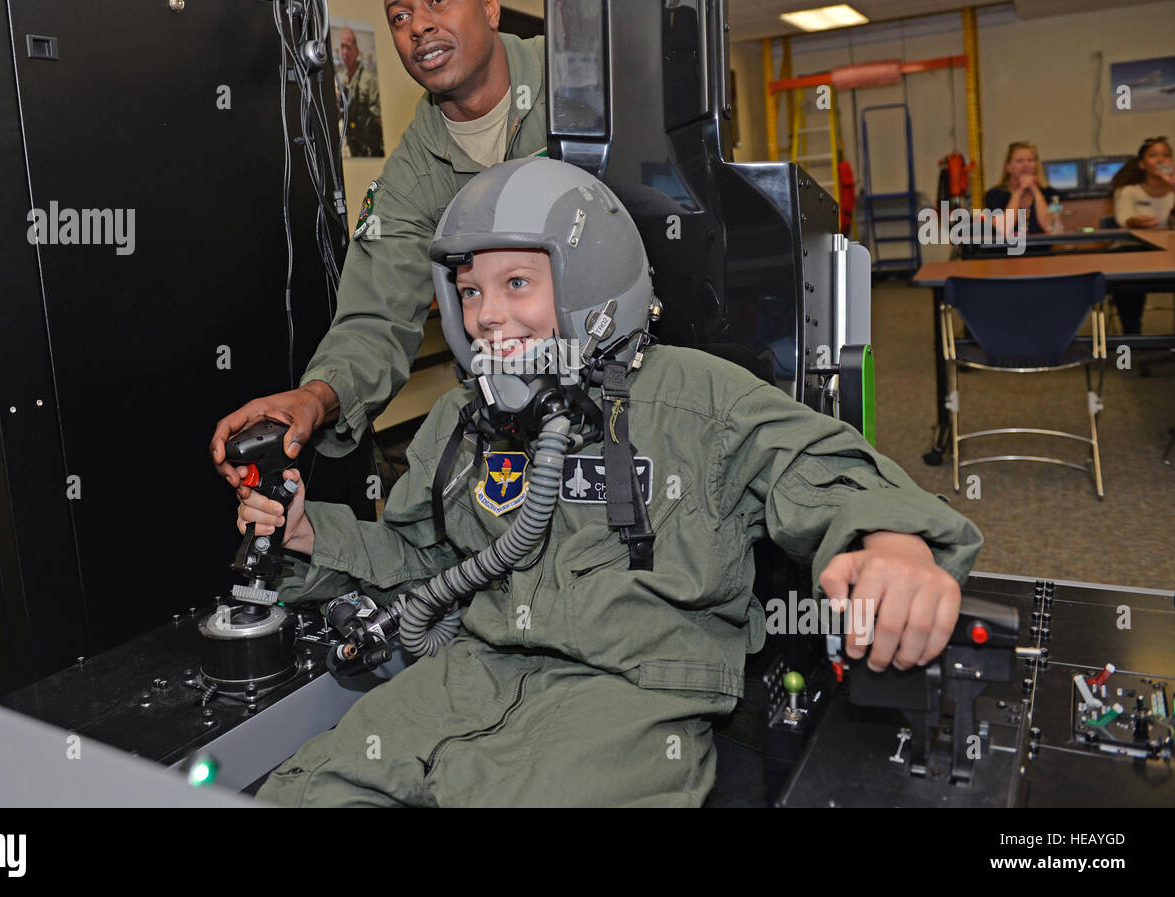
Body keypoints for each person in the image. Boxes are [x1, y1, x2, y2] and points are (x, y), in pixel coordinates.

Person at [238, 158, 982, 807]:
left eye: (517, 282)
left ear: (591, 283)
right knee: (308, 787)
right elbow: (424, 565)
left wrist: (892, 543)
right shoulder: (463, 422)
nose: (488, 315)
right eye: (468, 292)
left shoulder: (695, 397)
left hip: (627, 705)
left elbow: (818, 466)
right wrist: (311, 536)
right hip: (463, 681)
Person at [211, 0, 547, 488]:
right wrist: (316, 396)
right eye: (400, 17)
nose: (418, 26)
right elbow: (376, 318)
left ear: (489, 7)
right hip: (515, 408)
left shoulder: (577, 81)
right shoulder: (410, 178)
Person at [1108, 136, 1175, 333]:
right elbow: (1123, 218)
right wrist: (1135, 222)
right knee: (1127, 275)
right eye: (1154, 155)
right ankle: (1132, 333)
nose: (1161, 160)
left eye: (1166, 155)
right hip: (1133, 250)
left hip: (1168, 253)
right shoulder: (1128, 190)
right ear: (1142, 164)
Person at [984, 141, 1060, 236]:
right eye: (1019, 161)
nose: (1026, 165)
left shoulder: (1050, 193)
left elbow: (1051, 227)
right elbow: (1004, 228)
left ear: (1036, 165)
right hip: (1005, 250)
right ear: (1008, 167)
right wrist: (1019, 191)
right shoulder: (994, 194)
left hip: (1039, 249)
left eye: (1030, 160)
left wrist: (1035, 190)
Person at [337, 26, 384, 157]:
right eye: (342, 47)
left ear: (356, 50)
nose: (344, 52)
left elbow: (378, 114)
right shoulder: (342, 80)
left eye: (348, 47)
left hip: (368, 146)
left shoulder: (368, 80)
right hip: (352, 144)